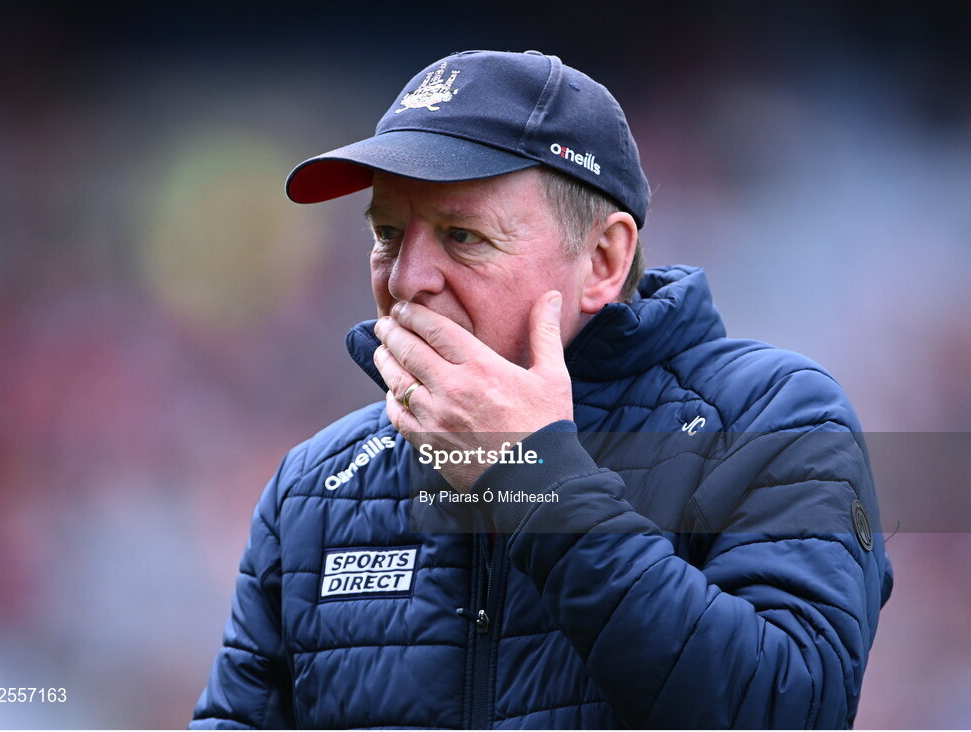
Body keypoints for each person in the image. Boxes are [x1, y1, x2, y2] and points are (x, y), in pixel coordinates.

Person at [190, 50, 892, 729]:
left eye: (462, 236)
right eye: (388, 233)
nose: (406, 279)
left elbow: (791, 710)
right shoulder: (314, 485)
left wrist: (532, 477)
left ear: (602, 261)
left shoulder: (775, 418)